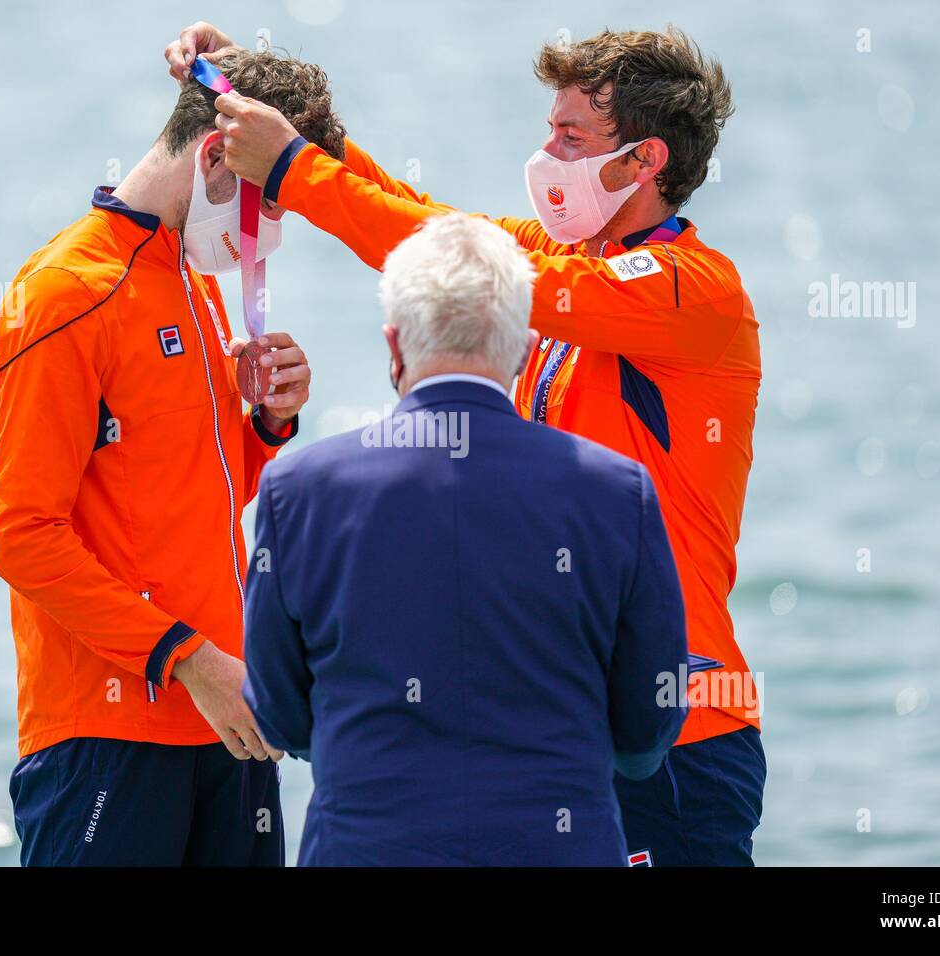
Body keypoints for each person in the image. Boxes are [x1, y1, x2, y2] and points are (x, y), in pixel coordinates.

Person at [167, 22, 765, 866]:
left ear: (645, 162)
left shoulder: (694, 289)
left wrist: (293, 168)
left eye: (571, 136)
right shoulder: (562, 261)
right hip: (569, 728)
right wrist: (285, 117)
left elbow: (458, 259)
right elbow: (429, 229)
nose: (547, 152)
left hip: (682, 734)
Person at [0, 48, 347, 866]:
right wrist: (182, 657)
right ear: (217, 155)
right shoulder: (64, 293)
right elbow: (22, 535)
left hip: (229, 722)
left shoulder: (194, 283)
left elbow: (198, 493)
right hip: (110, 735)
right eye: (269, 203)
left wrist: (270, 424)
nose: (270, 233)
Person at [241, 213, 689, 866]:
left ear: (394, 347)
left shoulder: (298, 490)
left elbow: (279, 714)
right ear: (523, 347)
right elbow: (650, 719)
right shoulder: (618, 491)